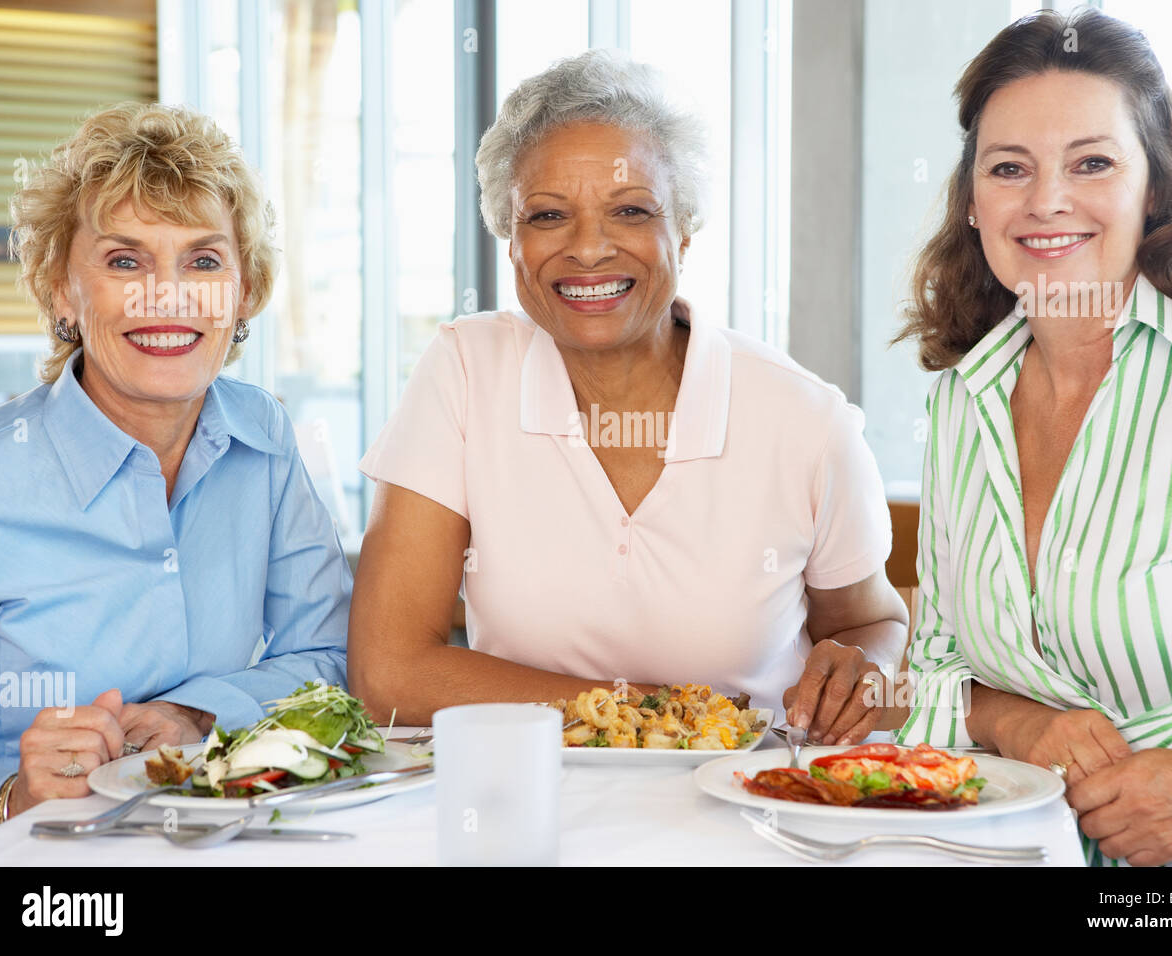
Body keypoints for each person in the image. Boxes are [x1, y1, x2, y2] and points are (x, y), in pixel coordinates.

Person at [350, 50, 907, 738]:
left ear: (685, 230)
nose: (588, 250)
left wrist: (870, 671)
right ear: (510, 238)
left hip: (743, 808)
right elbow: (388, 675)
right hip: (525, 803)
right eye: (548, 216)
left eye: (631, 211)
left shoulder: (804, 419)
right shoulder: (465, 370)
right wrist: (654, 715)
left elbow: (870, 623)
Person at [894, 9, 1172, 866]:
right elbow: (941, 667)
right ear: (973, 200)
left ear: (1156, 185)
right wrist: (1015, 719)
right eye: (1008, 168)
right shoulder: (964, 397)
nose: (1046, 202)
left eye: (1092, 162)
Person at [0, 103, 351, 831]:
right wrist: (9, 798)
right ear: (62, 290)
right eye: (124, 260)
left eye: (203, 261)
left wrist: (196, 712)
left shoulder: (262, 435)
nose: (168, 294)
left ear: (244, 293)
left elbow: (330, 657)